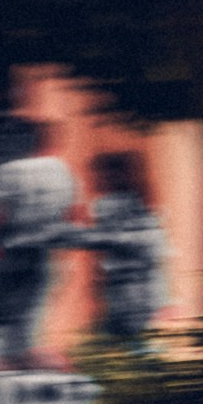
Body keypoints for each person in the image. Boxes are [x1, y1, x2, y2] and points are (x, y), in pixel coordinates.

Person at [0, 117, 78, 372]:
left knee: (8, 335)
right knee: (30, 324)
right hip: (45, 257)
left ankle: (24, 370)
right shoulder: (63, 173)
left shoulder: (8, 171)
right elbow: (72, 217)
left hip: (11, 256)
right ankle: (31, 368)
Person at [72, 149, 169, 349]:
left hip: (126, 287)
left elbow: (103, 243)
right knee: (134, 341)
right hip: (146, 285)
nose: (91, 180)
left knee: (123, 342)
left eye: (97, 174)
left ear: (112, 176)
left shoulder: (108, 204)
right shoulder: (141, 203)